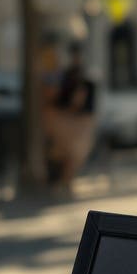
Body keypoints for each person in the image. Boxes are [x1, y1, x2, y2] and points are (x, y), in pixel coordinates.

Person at [44, 42, 96, 194]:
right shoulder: (69, 76)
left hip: (78, 123)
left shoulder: (85, 77)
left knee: (74, 155)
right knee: (68, 155)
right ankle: (65, 182)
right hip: (69, 122)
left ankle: (67, 181)